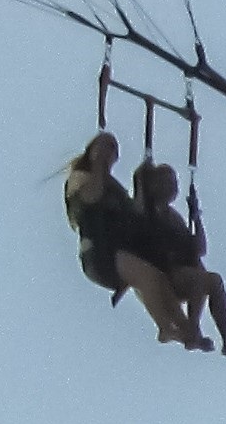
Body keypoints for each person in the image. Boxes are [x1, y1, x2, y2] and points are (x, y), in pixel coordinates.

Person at [62, 131, 201, 348]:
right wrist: (99, 165)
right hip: (99, 254)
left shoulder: (114, 188)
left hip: (117, 252)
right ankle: (166, 327)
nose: (109, 153)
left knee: (158, 279)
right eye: (105, 147)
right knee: (148, 278)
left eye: (113, 149)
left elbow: (134, 215)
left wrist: (142, 189)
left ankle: (186, 329)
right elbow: (90, 198)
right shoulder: (82, 178)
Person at [132, 160, 226, 363]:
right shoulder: (145, 212)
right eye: (167, 182)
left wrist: (196, 217)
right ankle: (192, 329)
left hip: (181, 274)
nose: (173, 187)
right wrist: (141, 179)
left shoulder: (174, 218)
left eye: (174, 182)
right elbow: (138, 214)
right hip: (161, 274)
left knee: (214, 280)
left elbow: (198, 249)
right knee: (200, 279)